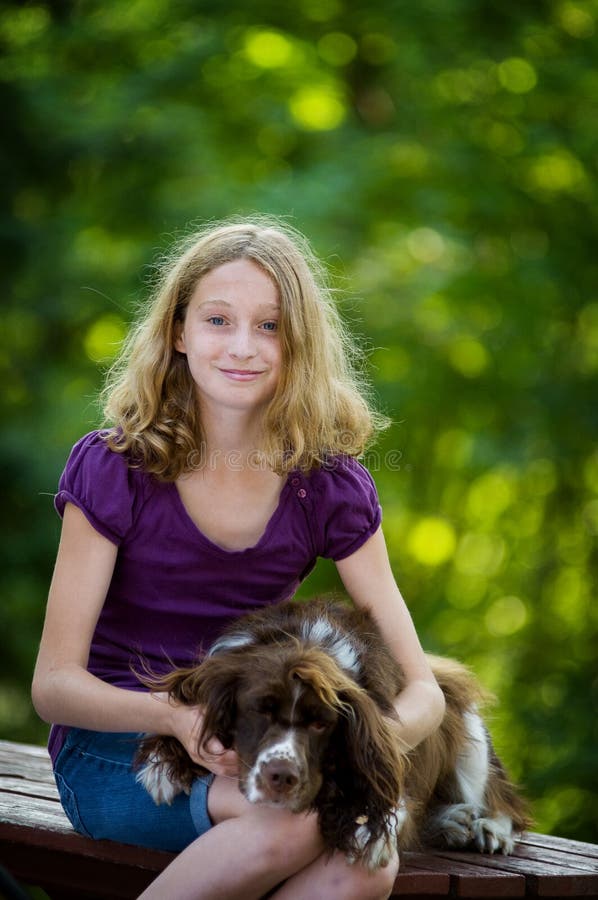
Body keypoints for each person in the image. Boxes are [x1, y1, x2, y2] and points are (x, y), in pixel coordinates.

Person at [32, 217, 446, 900]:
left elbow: (423, 689)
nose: (243, 347)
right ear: (179, 331)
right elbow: (53, 685)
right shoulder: (114, 468)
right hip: (124, 750)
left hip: (265, 747)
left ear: (299, 344)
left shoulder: (328, 485)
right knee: (288, 827)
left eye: (270, 326)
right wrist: (173, 715)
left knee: (365, 857)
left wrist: (357, 745)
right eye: (218, 320)